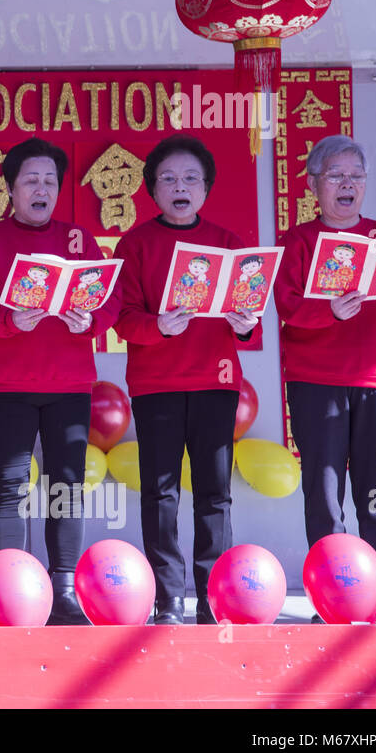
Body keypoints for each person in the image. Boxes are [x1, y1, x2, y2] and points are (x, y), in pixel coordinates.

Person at [0, 137, 120, 625]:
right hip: (8, 385)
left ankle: (64, 591)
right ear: (10, 188)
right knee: (8, 488)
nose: (41, 189)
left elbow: (108, 303)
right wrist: (8, 319)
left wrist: (86, 319)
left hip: (69, 384)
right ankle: (10, 591)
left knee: (65, 486)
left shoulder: (78, 240)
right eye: (31, 180)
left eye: (50, 181)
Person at [275, 134, 376, 624]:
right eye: (335, 176)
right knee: (323, 493)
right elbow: (288, 309)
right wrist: (330, 313)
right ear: (314, 185)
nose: (346, 185)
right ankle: (332, 598)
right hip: (315, 382)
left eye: (355, 177)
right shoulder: (296, 242)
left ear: (365, 185)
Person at [113, 135, 260, 625]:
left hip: (216, 383)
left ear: (206, 189)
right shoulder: (134, 244)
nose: (181, 187)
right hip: (156, 382)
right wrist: (158, 325)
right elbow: (121, 318)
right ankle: (167, 598)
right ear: (152, 190)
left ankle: (214, 594)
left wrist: (244, 322)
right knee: (161, 491)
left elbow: (247, 321)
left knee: (215, 491)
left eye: (191, 178)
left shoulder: (227, 243)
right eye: (169, 179)